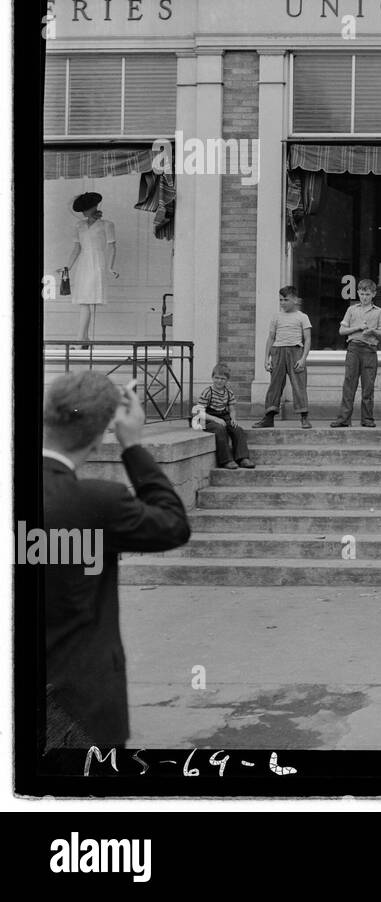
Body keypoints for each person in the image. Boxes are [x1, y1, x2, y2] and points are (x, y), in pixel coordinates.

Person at [41, 373, 191, 751]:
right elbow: (173, 525)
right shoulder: (97, 502)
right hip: (78, 703)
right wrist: (134, 446)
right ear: (103, 431)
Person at [63, 191, 117, 346]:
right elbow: (76, 248)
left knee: (85, 302)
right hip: (83, 264)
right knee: (83, 302)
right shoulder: (79, 226)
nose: (84, 212)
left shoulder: (107, 225)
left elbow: (112, 246)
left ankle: (80, 340)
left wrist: (110, 267)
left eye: (86, 208)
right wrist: (67, 267)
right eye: (82, 210)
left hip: (97, 264)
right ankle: (85, 339)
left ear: (94, 207)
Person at [253, 286, 312, 429]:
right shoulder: (276, 317)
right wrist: (266, 359)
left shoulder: (302, 317)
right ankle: (269, 417)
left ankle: (304, 417)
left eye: (286, 299)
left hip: (295, 352)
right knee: (275, 385)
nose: (283, 303)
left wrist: (303, 358)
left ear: (295, 300)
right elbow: (271, 337)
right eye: (280, 300)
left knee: (299, 385)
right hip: (278, 352)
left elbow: (308, 339)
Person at [331, 277, 381, 427]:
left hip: (370, 350)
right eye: (362, 294)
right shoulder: (351, 309)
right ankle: (344, 419)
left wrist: (372, 331)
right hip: (353, 349)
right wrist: (357, 328)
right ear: (358, 293)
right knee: (349, 384)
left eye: (368, 294)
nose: (364, 297)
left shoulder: (379, 312)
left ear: (374, 294)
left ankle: (367, 419)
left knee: (368, 386)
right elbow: (342, 330)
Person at [197, 361, 255, 470]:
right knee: (220, 429)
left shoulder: (229, 393)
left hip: (223, 416)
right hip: (208, 418)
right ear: (212, 377)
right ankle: (226, 460)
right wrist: (215, 419)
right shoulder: (207, 392)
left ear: (227, 380)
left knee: (238, 430)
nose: (219, 381)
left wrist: (233, 419)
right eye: (217, 378)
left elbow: (232, 409)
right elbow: (199, 412)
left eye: (222, 379)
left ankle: (242, 458)